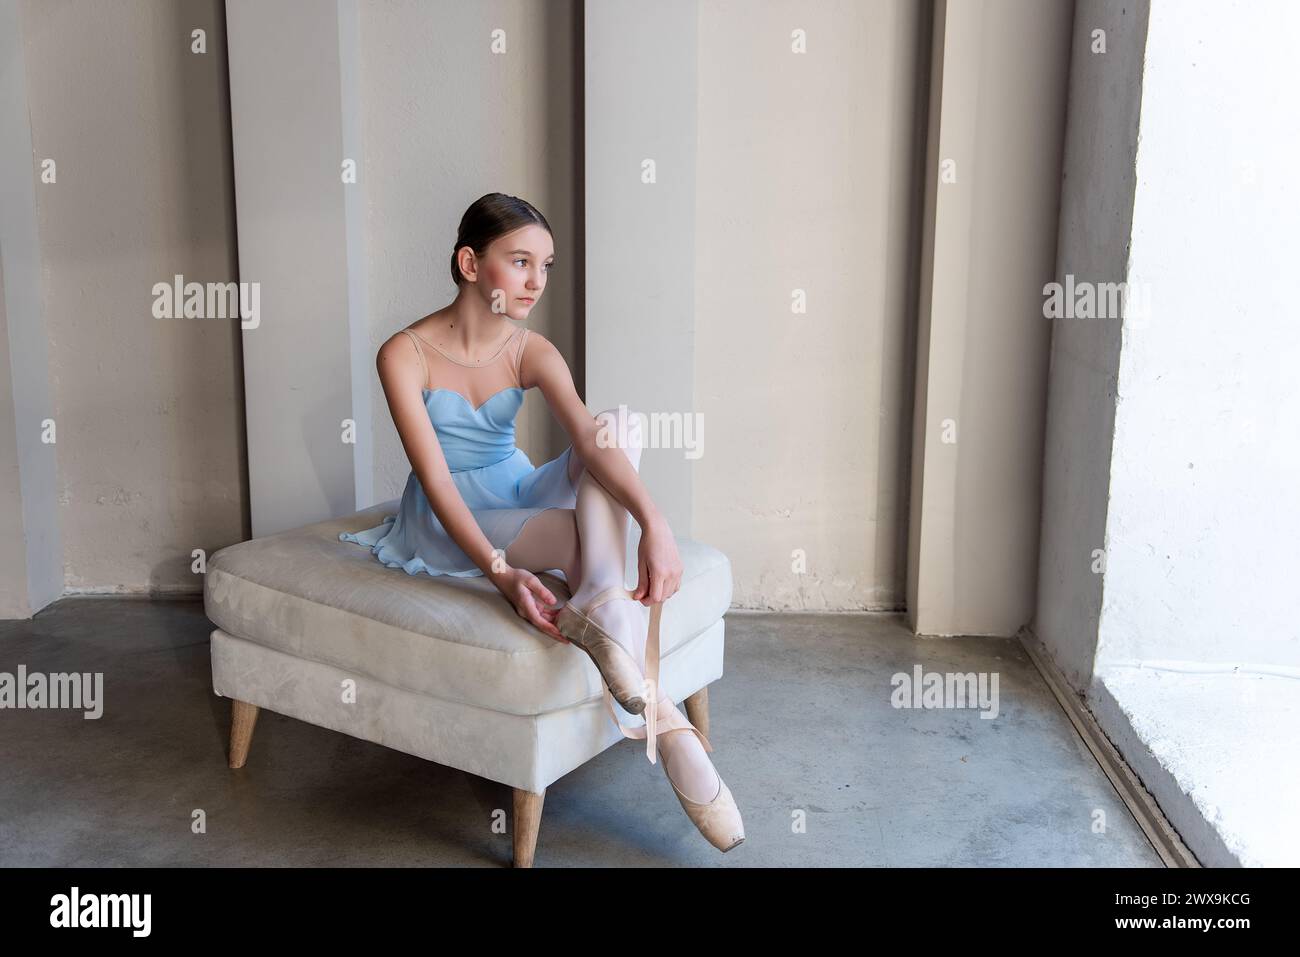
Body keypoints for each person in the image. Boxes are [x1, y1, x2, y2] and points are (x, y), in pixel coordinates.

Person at [340, 192, 743, 852]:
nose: (536, 281)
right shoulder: (403, 353)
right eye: (519, 261)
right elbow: (438, 481)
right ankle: (665, 722)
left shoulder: (531, 349)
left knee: (620, 424)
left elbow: (587, 437)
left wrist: (655, 521)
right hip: (448, 519)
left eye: (545, 264)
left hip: (516, 486)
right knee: (588, 535)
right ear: (470, 263)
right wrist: (501, 574)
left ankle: (617, 639)